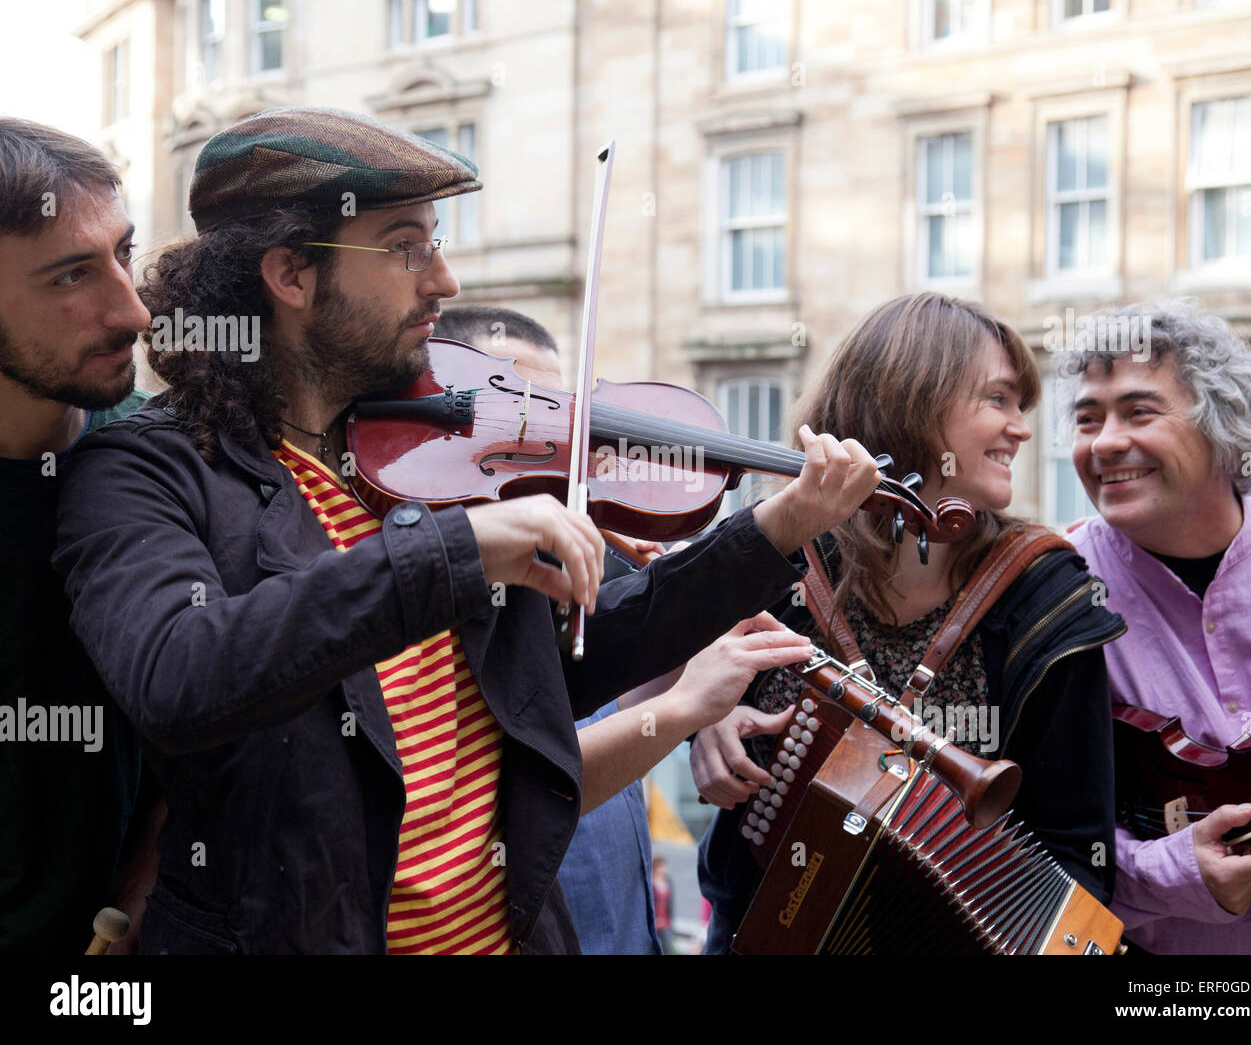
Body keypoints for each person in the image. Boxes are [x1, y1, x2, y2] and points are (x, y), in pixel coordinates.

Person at [51, 107, 882, 954]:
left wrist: (776, 528)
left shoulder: (432, 460)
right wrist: (458, 552)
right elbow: (179, 674)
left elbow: (563, 674)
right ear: (292, 275)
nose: (443, 280)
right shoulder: (142, 473)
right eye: (407, 245)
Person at [694, 292, 1124, 954]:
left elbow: (1078, 847)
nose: (1023, 428)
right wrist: (700, 711)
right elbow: (623, 644)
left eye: (1022, 405)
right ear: (915, 398)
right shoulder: (771, 559)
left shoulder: (1048, 595)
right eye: (999, 400)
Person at [437, 304, 806, 954]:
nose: (564, 458)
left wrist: (692, 672)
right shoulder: (442, 601)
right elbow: (524, 781)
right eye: (525, 424)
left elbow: (604, 702)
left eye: (563, 421)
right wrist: (683, 705)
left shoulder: (570, 571)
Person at [1064, 301, 1251, 955]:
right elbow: (1030, 831)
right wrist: (1177, 874)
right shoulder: (1049, 594)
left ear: (1223, 425)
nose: (1105, 441)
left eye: (1140, 412)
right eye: (1087, 419)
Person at [0, 118, 151, 954]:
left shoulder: (166, 454)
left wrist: (142, 893)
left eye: (124, 254)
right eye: (71, 276)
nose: (133, 310)